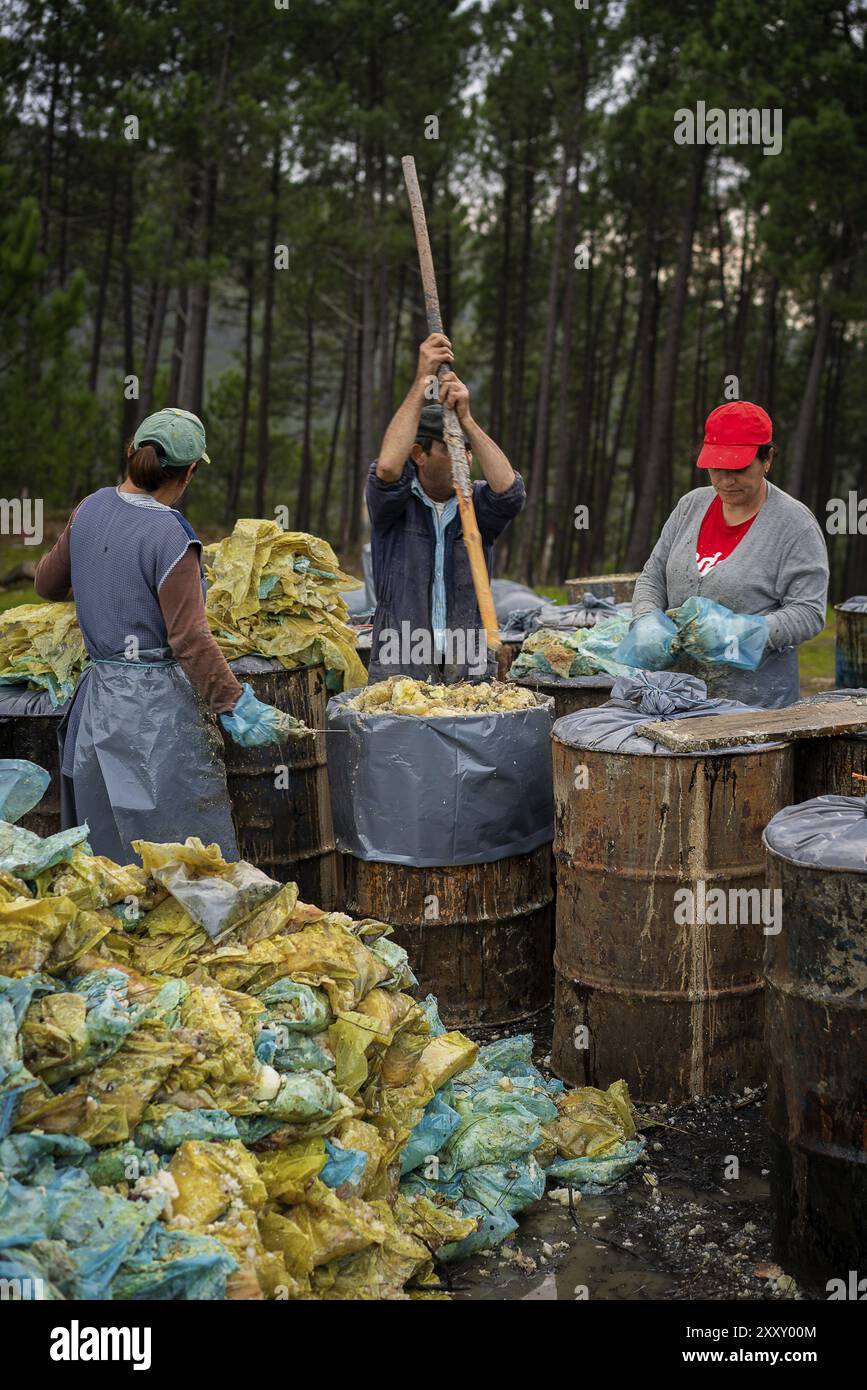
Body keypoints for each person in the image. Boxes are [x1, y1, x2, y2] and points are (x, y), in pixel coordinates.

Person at [34, 408, 295, 864]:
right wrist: (234, 703)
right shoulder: (171, 536)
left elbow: (47, 585)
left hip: (98, 706)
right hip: (154, 717)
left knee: (107, 852)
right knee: (176, 852)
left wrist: (106, 584)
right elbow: (190, 640)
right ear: (190, 472)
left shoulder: (89, 507)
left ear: (131, 453)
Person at [624, 401, 829, 708]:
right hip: (675, 698)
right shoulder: (690, 506)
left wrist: (745, 632)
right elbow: (653, 576)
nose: (725, 480)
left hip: (753, 706)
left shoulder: (794, 525)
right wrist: (647, 618)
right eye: (716, 468)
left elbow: (809, 612)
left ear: (767, 458)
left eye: (738, 469)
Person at [365, 333, 525, 684]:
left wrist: (466, 422)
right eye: (450, 446)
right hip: (400, 657)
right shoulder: (395, 504)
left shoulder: (477, 504)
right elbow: (388, 469)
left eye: (465, 449)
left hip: (468, 659)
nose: (463, 456)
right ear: (419, 455)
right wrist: (424, 381)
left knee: (471, 732)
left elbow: (510, 491)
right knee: (400, 736)